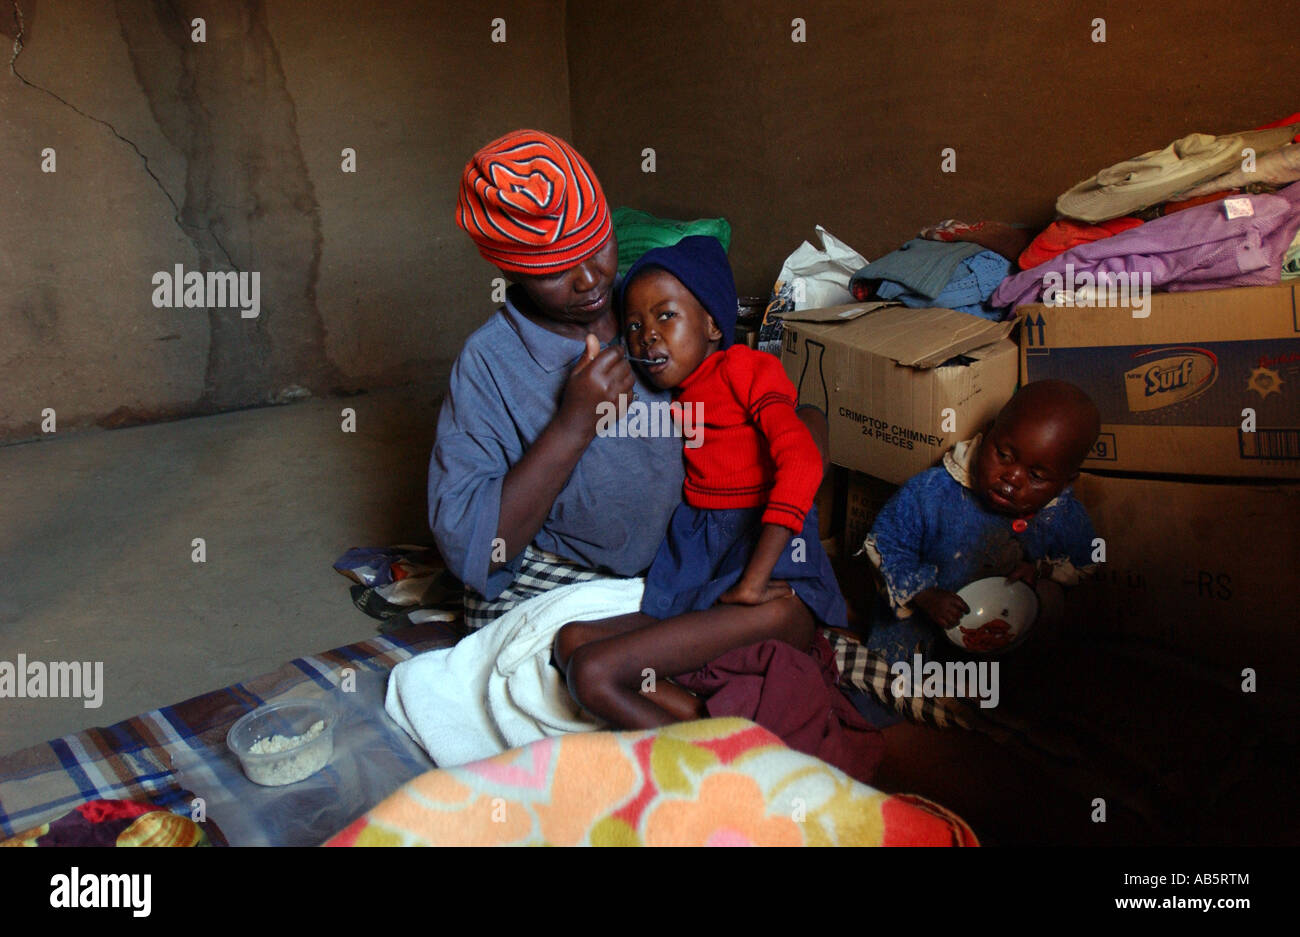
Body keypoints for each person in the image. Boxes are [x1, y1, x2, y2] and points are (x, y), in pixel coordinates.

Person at [430, 129, 829, 630]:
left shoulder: (653, 300)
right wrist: (573, 426)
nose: (590, 279)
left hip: (698, 555)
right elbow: (474, 549)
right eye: (554, 271)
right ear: (512, 274)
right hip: (574, 579)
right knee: (547, 655)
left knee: (807, 425)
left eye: (597, 244)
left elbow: (746, 406)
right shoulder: (489, 363)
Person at [551, 236, 849, 731]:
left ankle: (716, 762)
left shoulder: (744, 368)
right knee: (570, 643)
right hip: (699, 577)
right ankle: (702, 721)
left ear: (713, 323)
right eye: (634, 325)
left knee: (592, 672)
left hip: (773, 589)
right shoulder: (674, 401)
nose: (647, 335)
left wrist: (755, 580)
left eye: (665, 316)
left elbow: (801, 461)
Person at [861, 379, 1101, 667]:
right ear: (987, 435)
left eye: (1036, 476)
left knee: (1051, 605)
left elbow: (1087, 561)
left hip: (1004, 629)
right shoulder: (933, 492)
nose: (1012, 478)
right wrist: (922, 593)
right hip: (922, 620)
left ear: (1065, 482)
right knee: (887, 680)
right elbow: (884, 542)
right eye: (1004, 455)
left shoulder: (1060, 514)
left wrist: (1041, 570)